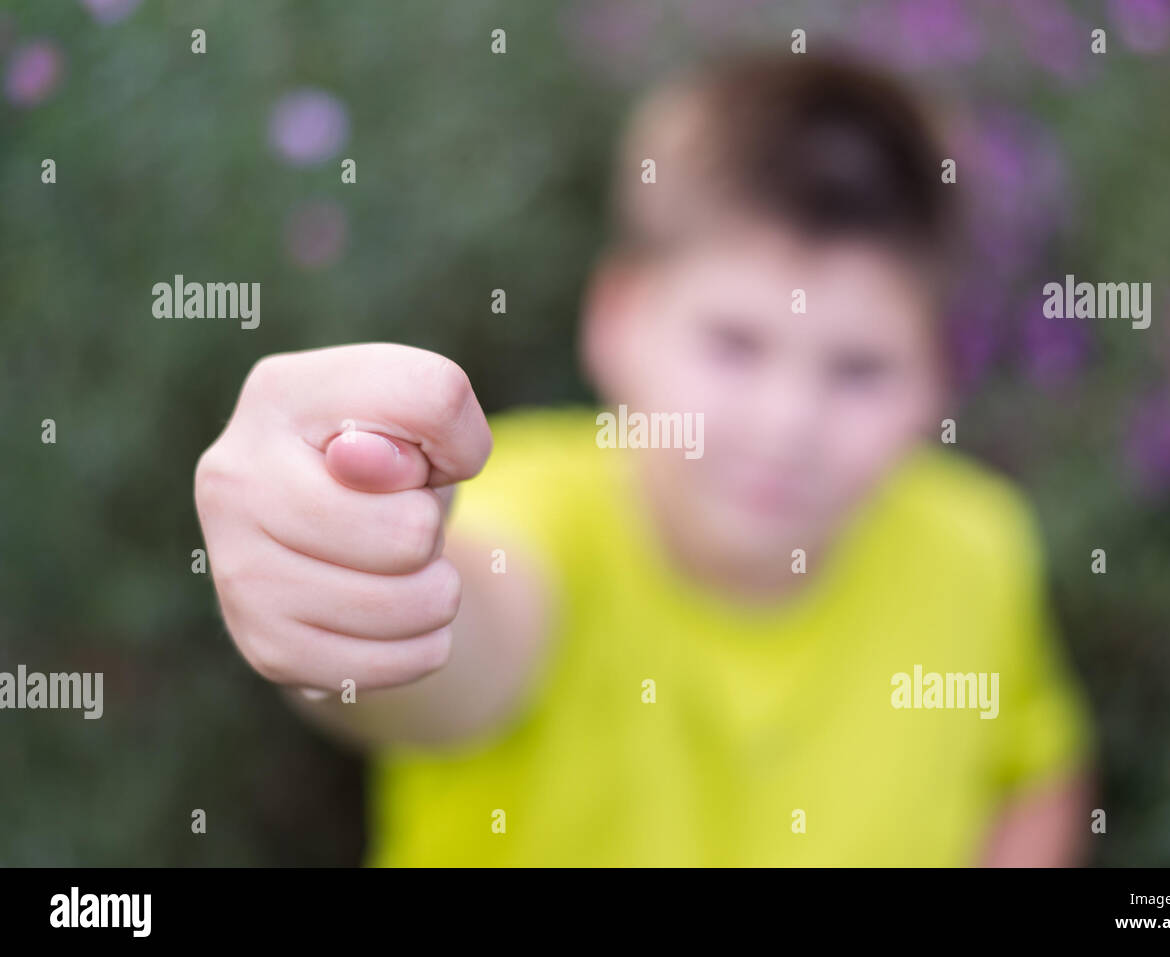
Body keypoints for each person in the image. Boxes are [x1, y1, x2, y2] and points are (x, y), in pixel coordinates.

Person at [194, 50, 1095, 865]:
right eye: (734, 344)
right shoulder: (530, 512)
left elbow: (1033, 769)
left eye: (859, 370)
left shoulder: (978, 545)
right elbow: (452, 646)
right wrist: (347, 569)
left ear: (941, 377)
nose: (787, 422)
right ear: (618, 319)